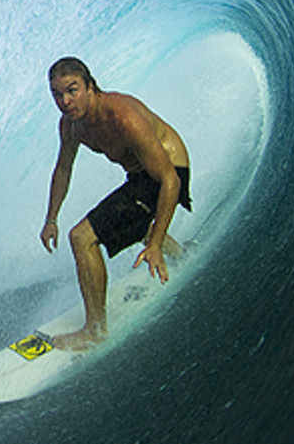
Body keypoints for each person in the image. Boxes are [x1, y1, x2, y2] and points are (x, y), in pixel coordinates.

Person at [39, 57, 192, 350]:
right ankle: (183, 256)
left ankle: (95, 331)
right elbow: (63, 168)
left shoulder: (122, 117)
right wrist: (51, 219)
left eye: (72, 90)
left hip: (169, 172)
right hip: (141, 176)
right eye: (57, 95)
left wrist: (156, 246)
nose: (65, 101)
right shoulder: (71, 126)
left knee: (82, 238)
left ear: (90, 86)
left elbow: (169, 180)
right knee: (132, 219)